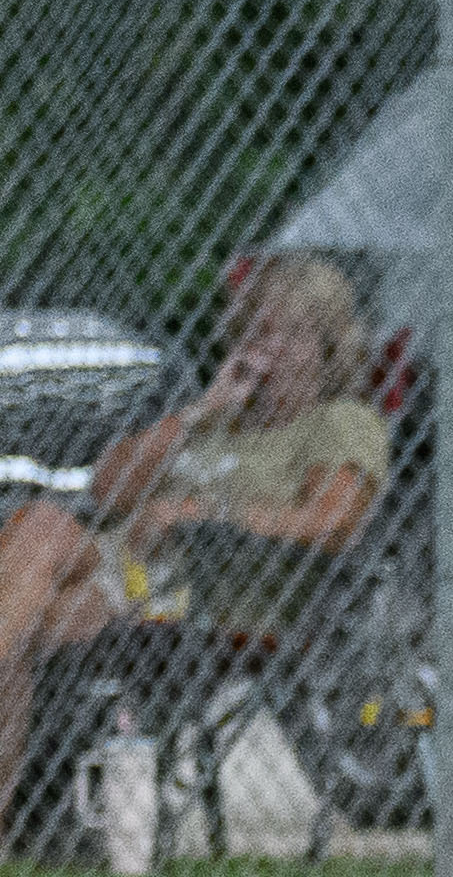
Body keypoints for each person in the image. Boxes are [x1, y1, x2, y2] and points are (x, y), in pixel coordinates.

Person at [0, 255, 386, 842]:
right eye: (258, 331)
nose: (269, 350)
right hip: (115, 577)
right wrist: (201, 411)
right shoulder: (216, 421)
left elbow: (328, 525)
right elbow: (107, 490)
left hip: (207, 596)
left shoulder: (342, 423)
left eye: (290, 335)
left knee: (33, 545)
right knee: (23, 588)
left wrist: (202, 513)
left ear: (327, 346)